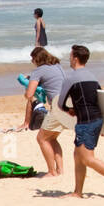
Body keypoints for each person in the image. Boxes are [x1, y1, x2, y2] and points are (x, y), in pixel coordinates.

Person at [59, 44, 104, 199]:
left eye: (70, 56)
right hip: (96, 120)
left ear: (75, 58)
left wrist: (69, 110)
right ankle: (77, 192)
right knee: (78, 157)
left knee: (87, 158)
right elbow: (100, 100)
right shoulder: (93, 77)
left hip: (85, 123)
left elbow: (60, 103)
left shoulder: (70, 78)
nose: (69, 58)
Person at [24, 46, 68, 177]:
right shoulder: (57, 66)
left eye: (32, 59)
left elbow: (29, 94)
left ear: (36, 59)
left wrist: (29, 85)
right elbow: (52, 81)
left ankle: (51, 171)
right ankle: (60, 170)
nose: (32, 62)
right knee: (52, 138)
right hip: (68, 106)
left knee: (42, 138)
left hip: (57, 107)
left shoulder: (39, 71)